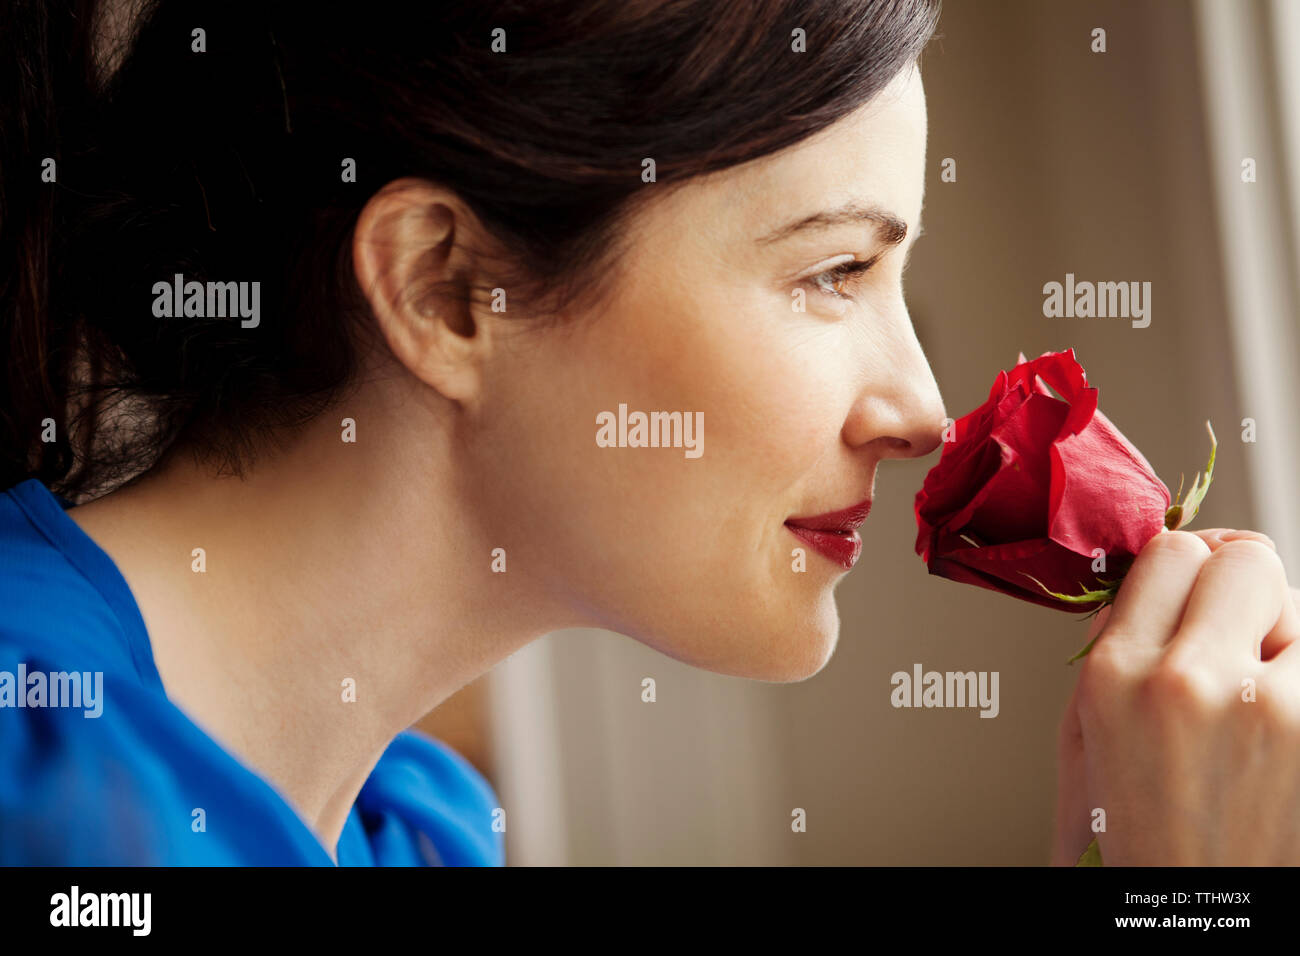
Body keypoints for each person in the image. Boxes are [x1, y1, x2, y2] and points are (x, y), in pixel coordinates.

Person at [1, 0, 1296, 867]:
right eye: (834, 272)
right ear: (449, 289)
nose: (921, 412)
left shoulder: (419, 830)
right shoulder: (41, 788)